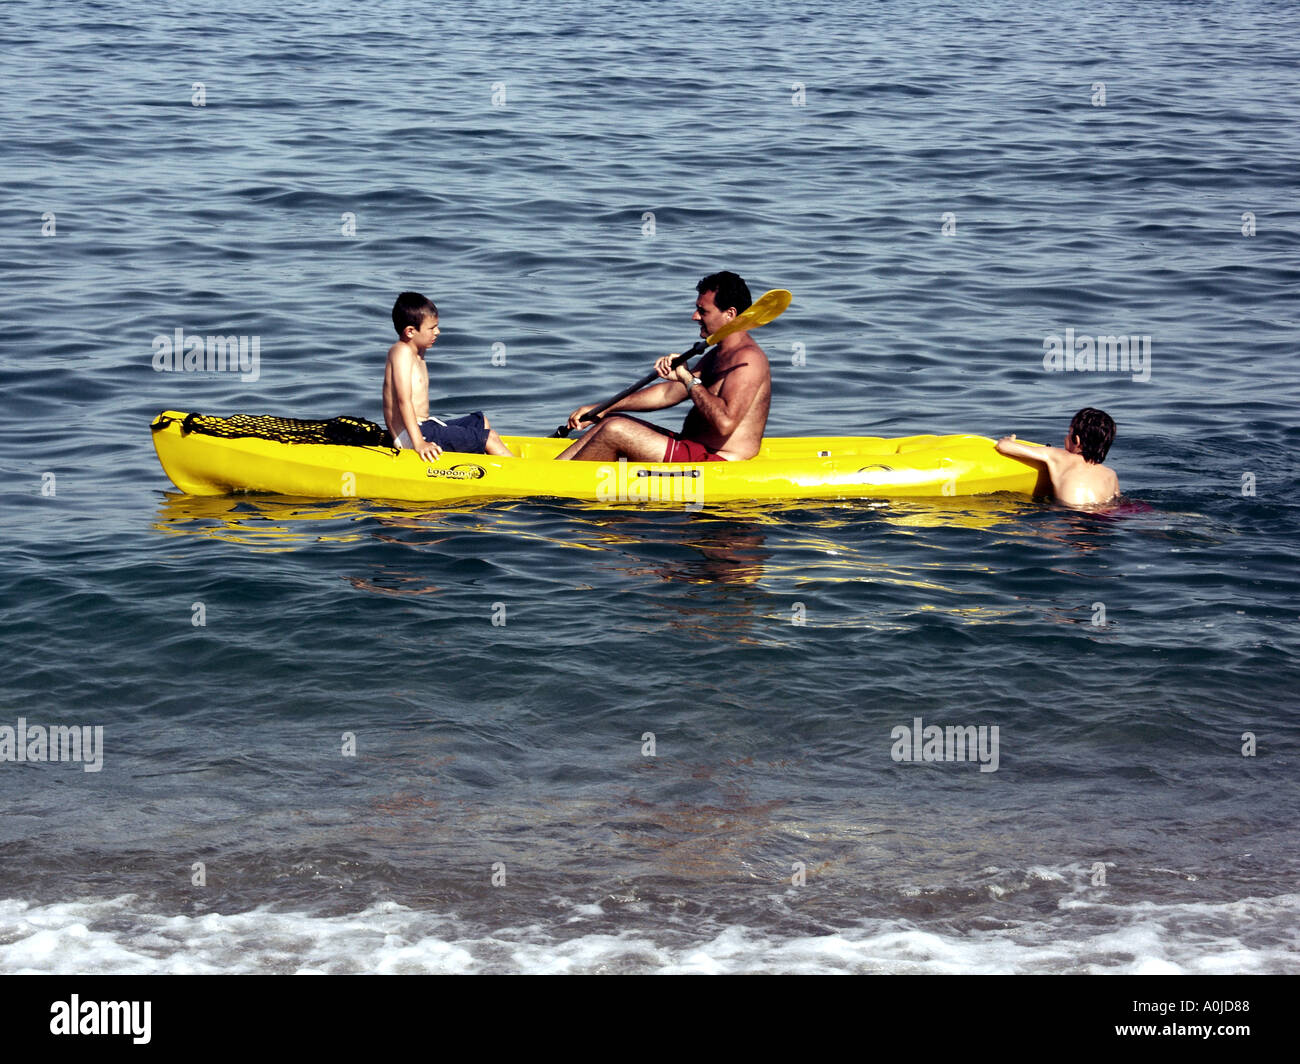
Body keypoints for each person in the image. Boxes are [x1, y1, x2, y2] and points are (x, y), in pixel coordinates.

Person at [556, 272, 770, 462]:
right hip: (694, 449)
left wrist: (686, 377)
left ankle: (556, 484)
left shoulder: (748, 360)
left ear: (730, 314)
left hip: (718, 461)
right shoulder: (719, 353)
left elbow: (725, 423)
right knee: (610, 421)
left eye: (702, 311)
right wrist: (603, 408)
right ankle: (552, 471)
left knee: (615, 430)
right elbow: (668, 393)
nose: (694, 316)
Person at [382, 292, 514, 461]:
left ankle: (478, 468)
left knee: (480, 422)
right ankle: (527, 477)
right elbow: (403, 401)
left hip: (426, 426)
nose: (437, 332)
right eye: (431, 328)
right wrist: (419, 443)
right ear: (410, 331)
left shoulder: (416, 351)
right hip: (412, 434)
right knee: (489, 437)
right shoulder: (401, 352)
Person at [996, 407, 1120, 507]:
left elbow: (1004, 446)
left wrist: (1009, 441)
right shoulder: (1111, 475)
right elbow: (1117, 502)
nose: (1066, 437)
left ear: (1076, 440)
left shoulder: (1058, 456)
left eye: (1069, 432)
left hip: (1068, 519)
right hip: (1103, 520)